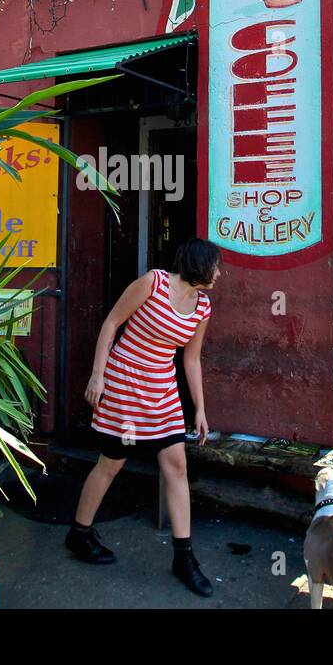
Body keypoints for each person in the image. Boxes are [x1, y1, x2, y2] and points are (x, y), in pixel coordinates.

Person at [64, 238, 221, 597]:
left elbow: (191, 359)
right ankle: (79, 532)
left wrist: (200, 409)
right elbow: (111, 323)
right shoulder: (153, 283)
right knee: (111, 463)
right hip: (123, 383)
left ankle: (184, 557)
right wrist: (97, 375)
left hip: (162, 391)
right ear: (199, 265)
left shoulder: (203, 308)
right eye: (216, 265)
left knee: (177, 466)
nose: (219, 273)